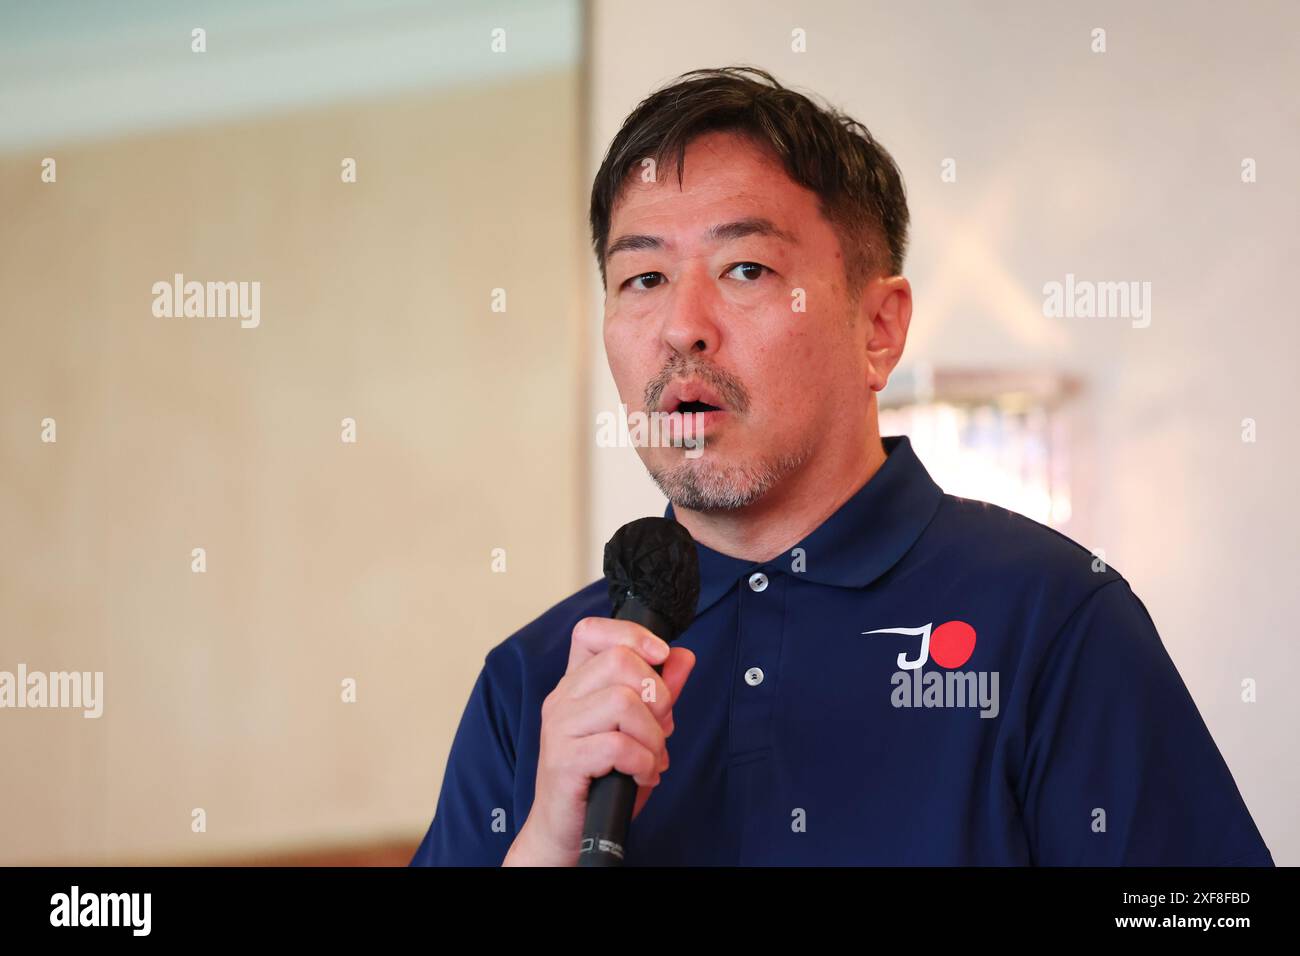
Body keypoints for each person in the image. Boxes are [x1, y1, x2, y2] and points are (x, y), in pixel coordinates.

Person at [411, 66, 1273, 866]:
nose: (682, 327)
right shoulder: (534, 682)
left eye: (745, 268)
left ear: (878, 329)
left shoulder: (1052, 619)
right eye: (641, 278)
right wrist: (545, 841)